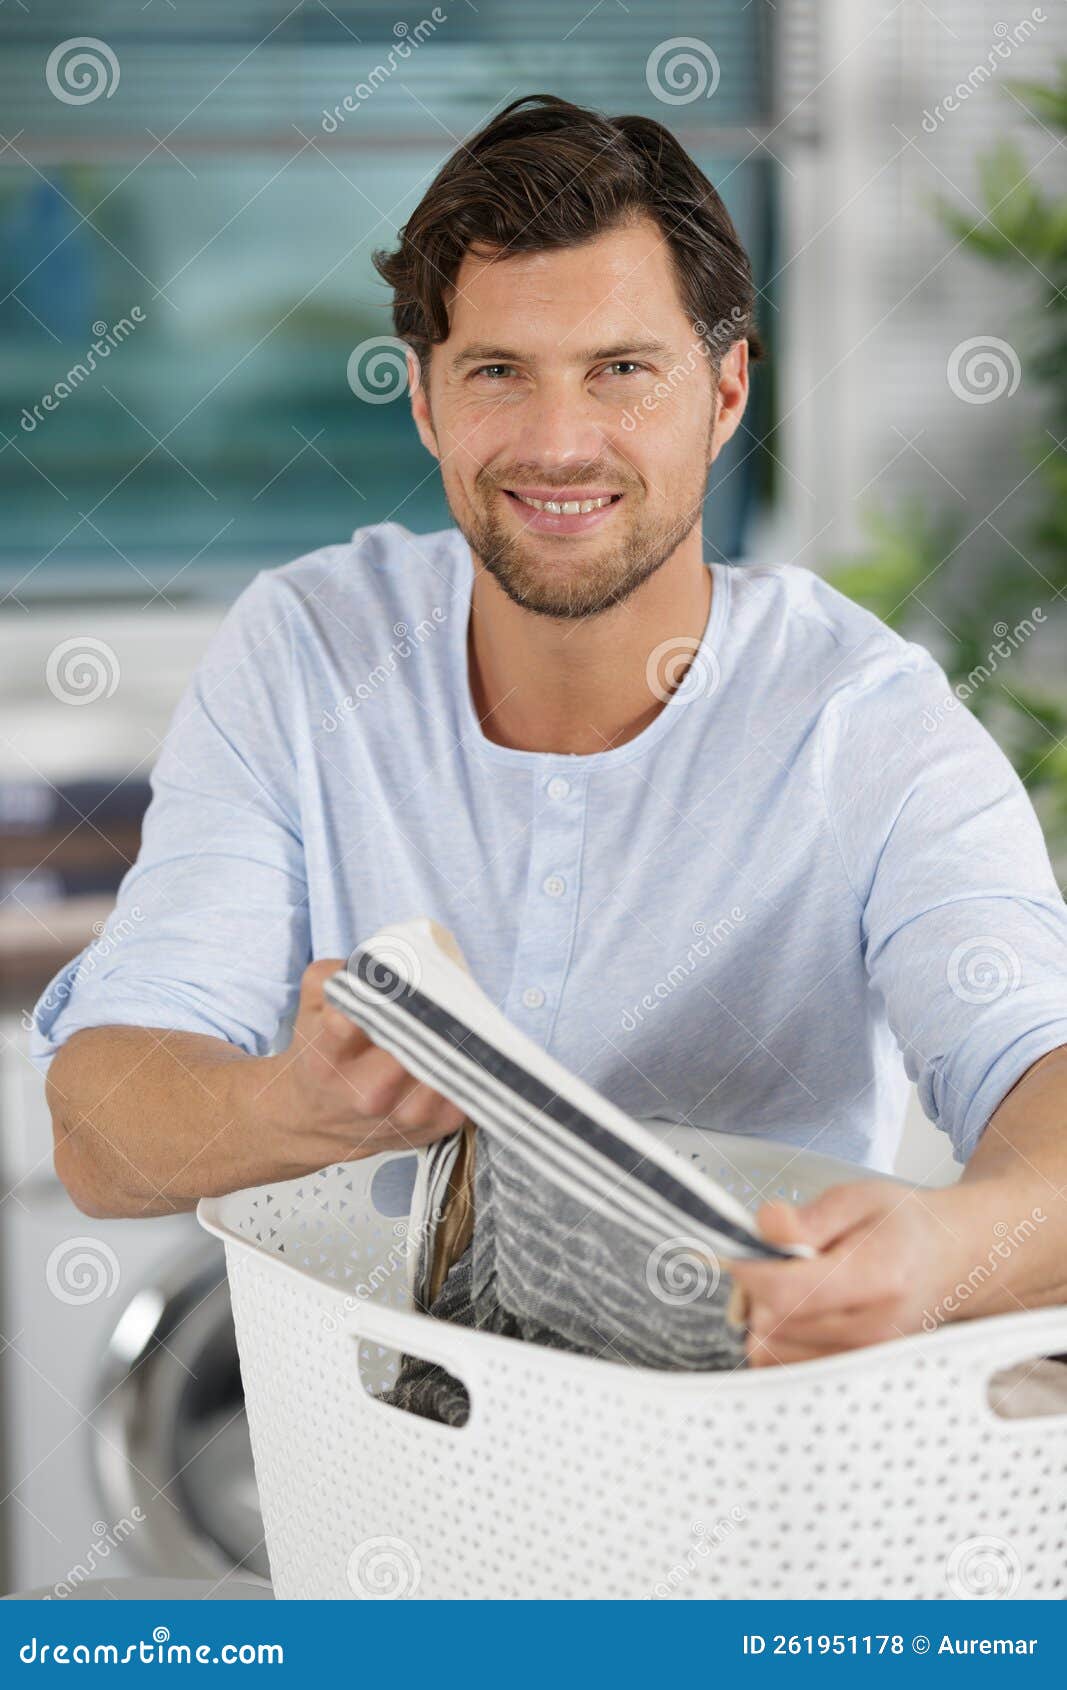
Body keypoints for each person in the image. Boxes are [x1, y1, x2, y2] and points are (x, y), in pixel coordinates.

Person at [30, 95, 1067, 1368]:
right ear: (422, 399)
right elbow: (98, 1130)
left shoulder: (865, 727)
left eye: (621, 370)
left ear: (726, 386)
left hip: (741, 1477)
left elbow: (1041, 1075)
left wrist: (943, 1254)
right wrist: (293, 1104)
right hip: (383, 1490)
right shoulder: (306, 654)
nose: (557, 443)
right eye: (496, 373)